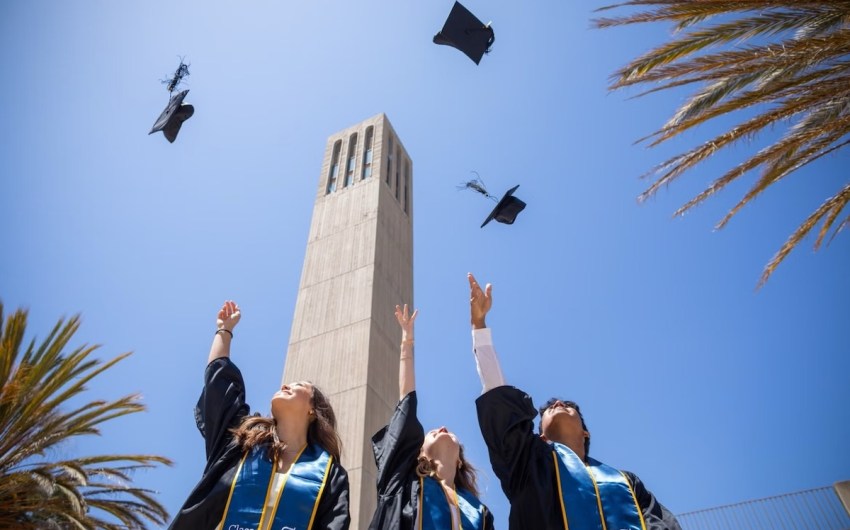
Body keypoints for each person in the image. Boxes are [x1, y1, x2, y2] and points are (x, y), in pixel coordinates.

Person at [467, 274, 681, 530]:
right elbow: (497, 393)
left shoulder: (625, 482)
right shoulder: (527, 464)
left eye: (568, 405)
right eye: (547, 409)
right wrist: (479, 325)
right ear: (541, 437)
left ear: (586, 431)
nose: (557, 403)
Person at [169, 300, 351, 530]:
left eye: (299, 385)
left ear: (313, 410)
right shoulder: (243, 443)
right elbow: (219, 388)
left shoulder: (329, 474)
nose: (285, 385)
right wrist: (224, 331)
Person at [369, 304, 495, 530]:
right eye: (431, 432)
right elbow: (405, 404)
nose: (443, 428)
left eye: (449, 433)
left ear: (459, 461)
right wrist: (406, 344)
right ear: (419, 452)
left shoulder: (479, 513)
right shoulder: (402, 482)